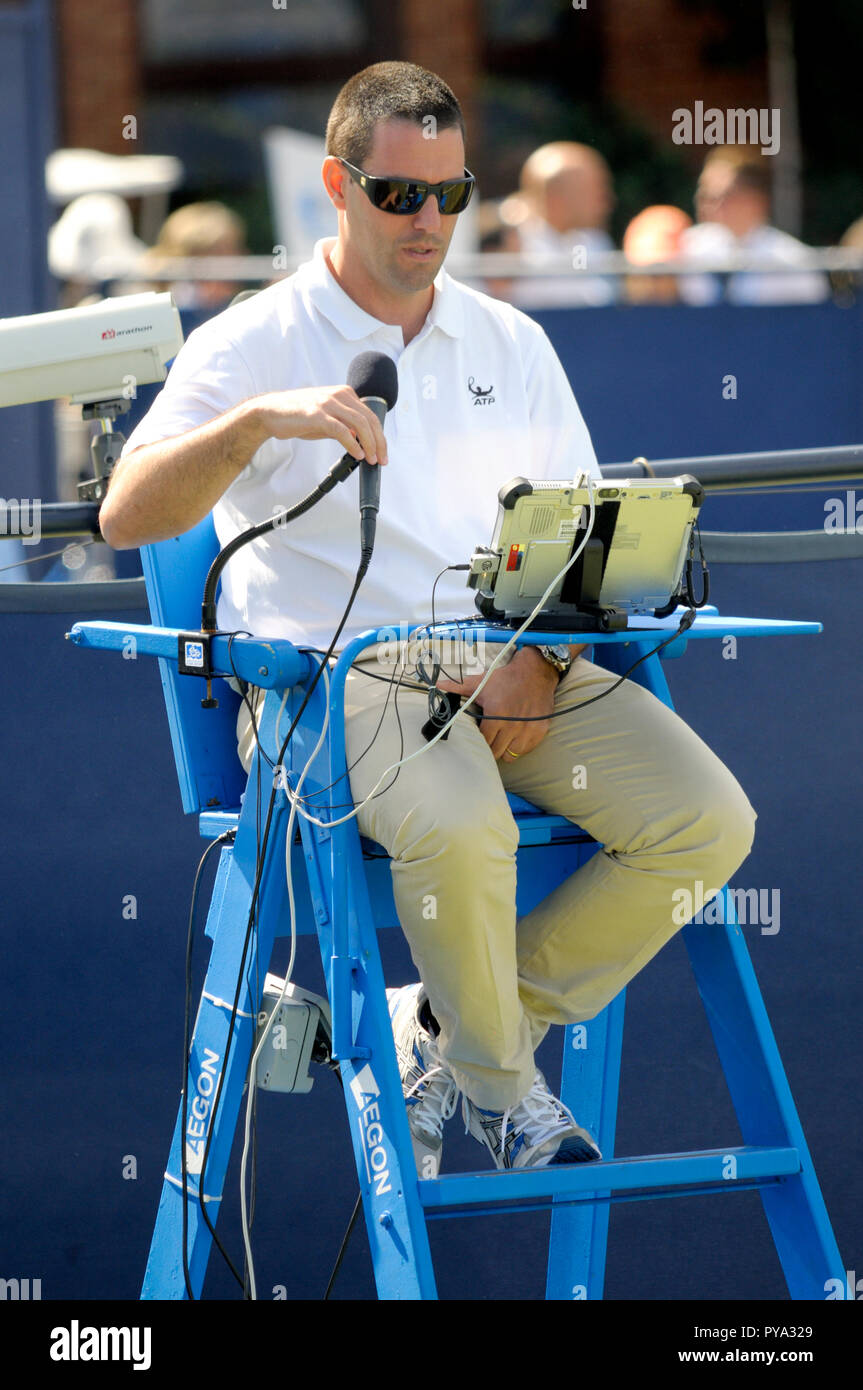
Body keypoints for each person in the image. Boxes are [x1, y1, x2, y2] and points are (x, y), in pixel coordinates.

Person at [98, 62, 756, 1178]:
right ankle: (506, 1098)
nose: (428, 222)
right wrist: (257, 422)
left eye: (448, 196)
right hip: (328, 683)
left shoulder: (508, 338)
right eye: (401, 195)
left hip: (504, 663)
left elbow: (573, 542)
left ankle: (442, 1037)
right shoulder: (249, 340)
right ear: (335, 186)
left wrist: (534, 658)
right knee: (463, 828)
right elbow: (125, 515)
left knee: (707, 822)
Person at [678, 149, 829, 306]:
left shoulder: (793, 261)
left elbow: (814, 318)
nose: (708, 203)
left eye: (723, 195)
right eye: (704, 192)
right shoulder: (684, 248)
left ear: (756, 199)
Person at [505, 141, 618, 308]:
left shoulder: (595, 241)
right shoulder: (509, 246)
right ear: (556, 198)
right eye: (595, 191)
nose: (608, 202)